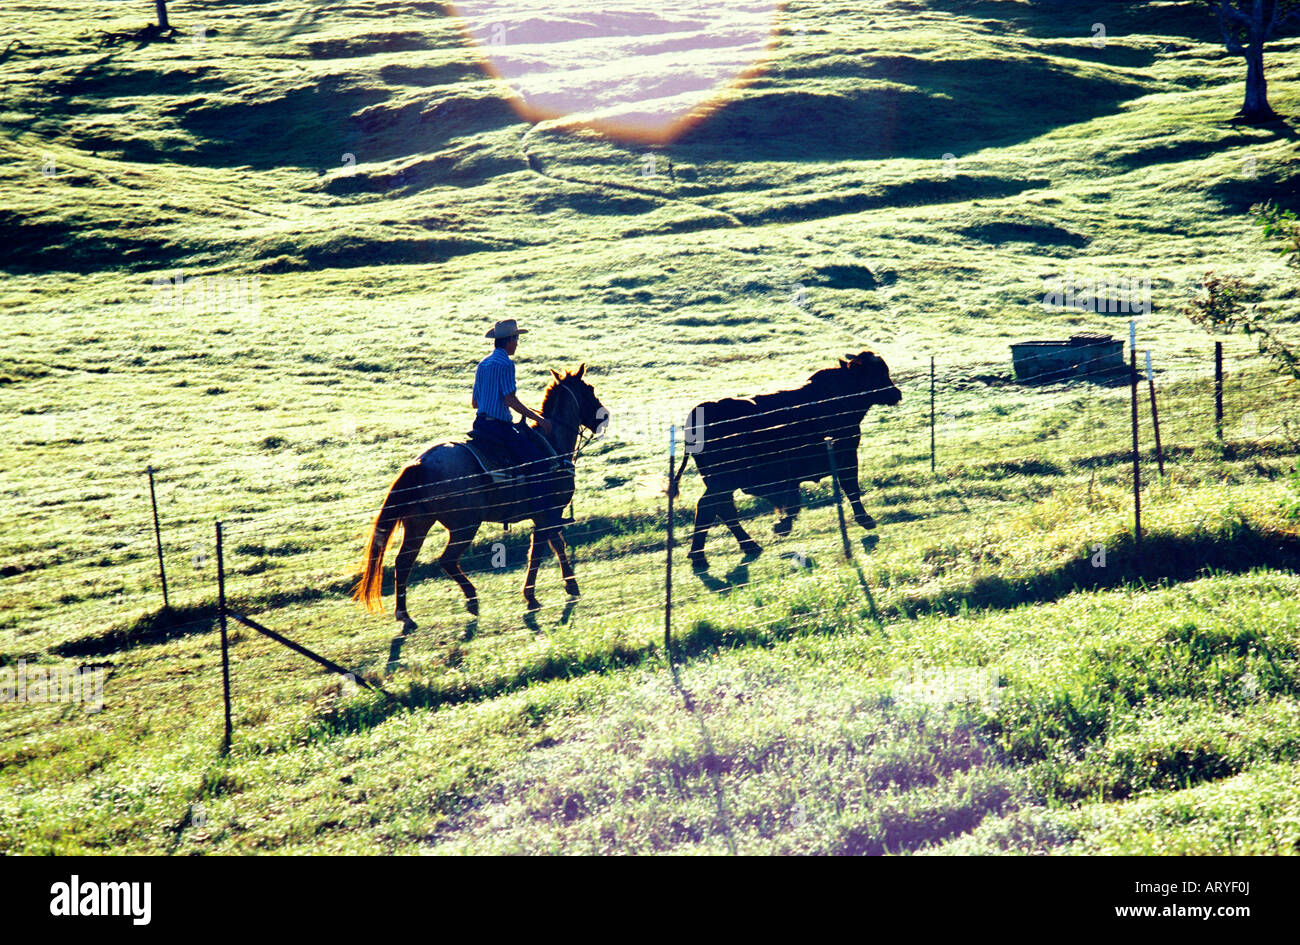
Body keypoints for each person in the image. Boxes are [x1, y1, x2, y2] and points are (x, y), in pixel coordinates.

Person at [471, 319, 558, 520]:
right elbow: (509, 399)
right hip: (499, 428)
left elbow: (475, 403)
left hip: (480, 425)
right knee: (539, 463)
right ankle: (543, 514)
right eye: (517, 338)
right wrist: (539, 419)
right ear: (509, 340)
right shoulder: (506, 364)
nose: (518, 343)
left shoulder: (482, 364)